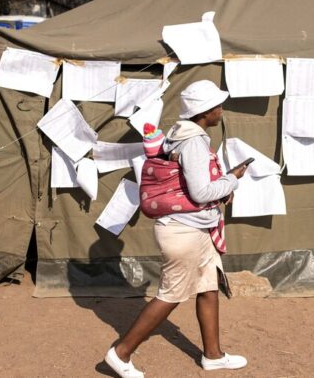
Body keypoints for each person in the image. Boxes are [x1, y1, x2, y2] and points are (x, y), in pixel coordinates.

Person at [104, 80, 249, 378]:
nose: (222, 109)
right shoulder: (194, 141)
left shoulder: (179, 134)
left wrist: (221, 187)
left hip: (196, 228)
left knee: (208, 287)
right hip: (185, 231)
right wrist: (233, 178)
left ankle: (213, 355)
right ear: (206, 112)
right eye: (218, 105)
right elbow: (199, 192)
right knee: (170, 295)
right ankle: (120, 353)